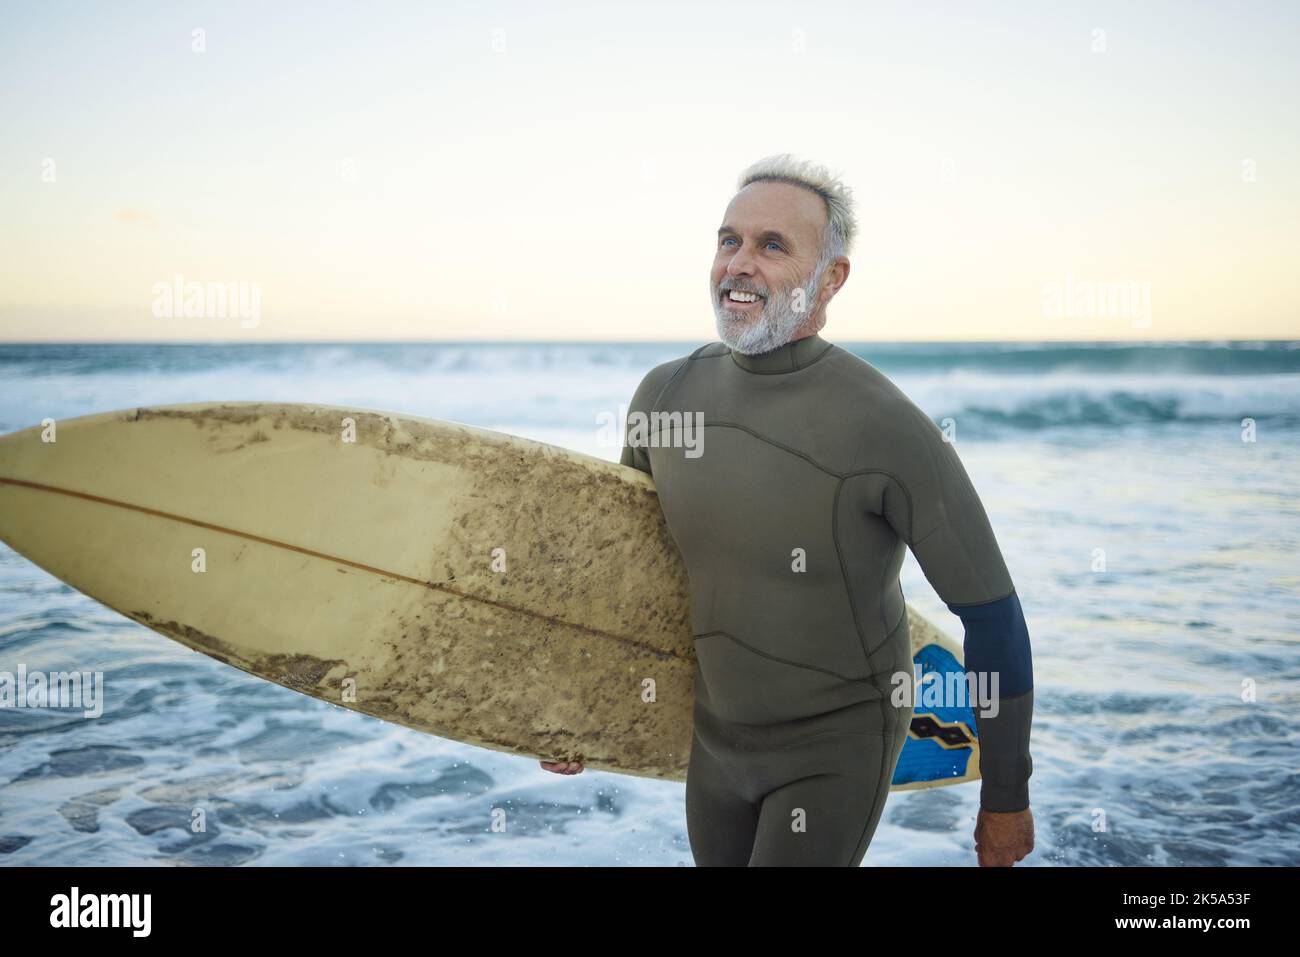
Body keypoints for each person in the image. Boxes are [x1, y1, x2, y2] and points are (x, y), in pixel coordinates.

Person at [544, 154, 1035, 867]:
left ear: (830, 277)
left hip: (835, 744)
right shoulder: (666, 397)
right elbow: (635, 578)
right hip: (714, 740)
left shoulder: (885, 426)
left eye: (773, 245)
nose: (740, 264)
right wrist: (578, 710)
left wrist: (1006, 799)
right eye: (728, 240)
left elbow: (992, 616)